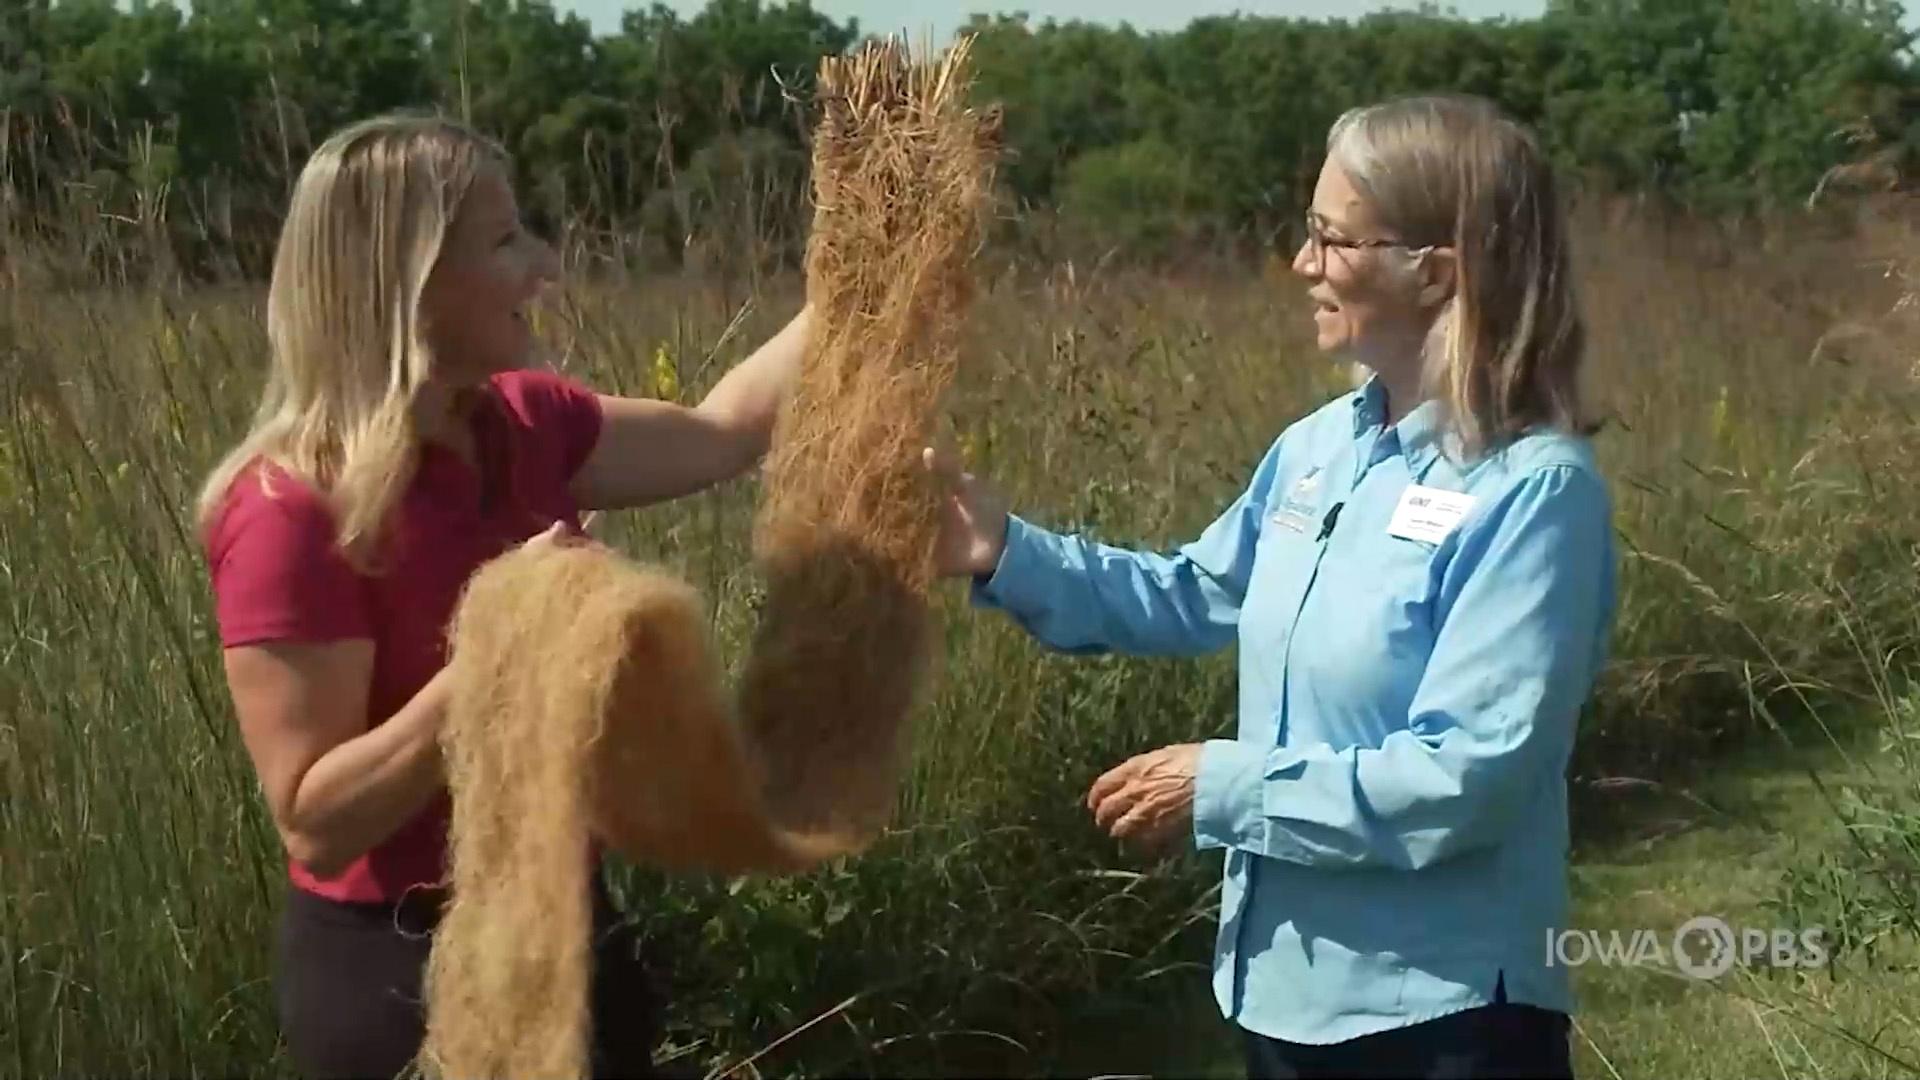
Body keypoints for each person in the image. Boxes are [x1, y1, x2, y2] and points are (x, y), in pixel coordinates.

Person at [927, 94, 1616, 1078]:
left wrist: (1224, 784)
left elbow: (1468, 778)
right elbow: (1192, 593)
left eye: (1330, 239)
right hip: (1282, 994)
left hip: (1442, 1018)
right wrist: (1003, 551)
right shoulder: (1316, 451)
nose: (1303, 265)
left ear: (1438, 270)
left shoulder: (1536, 494)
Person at [196, 112, 812, 1079]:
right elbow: (315, 819)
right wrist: (500, 650)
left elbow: (727, 429)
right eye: (506, 238)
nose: (546, 264)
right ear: (410, 279)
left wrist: (870, 264)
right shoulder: (290, 511)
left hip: (567, 927)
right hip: (404, 977)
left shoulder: (523, 421)